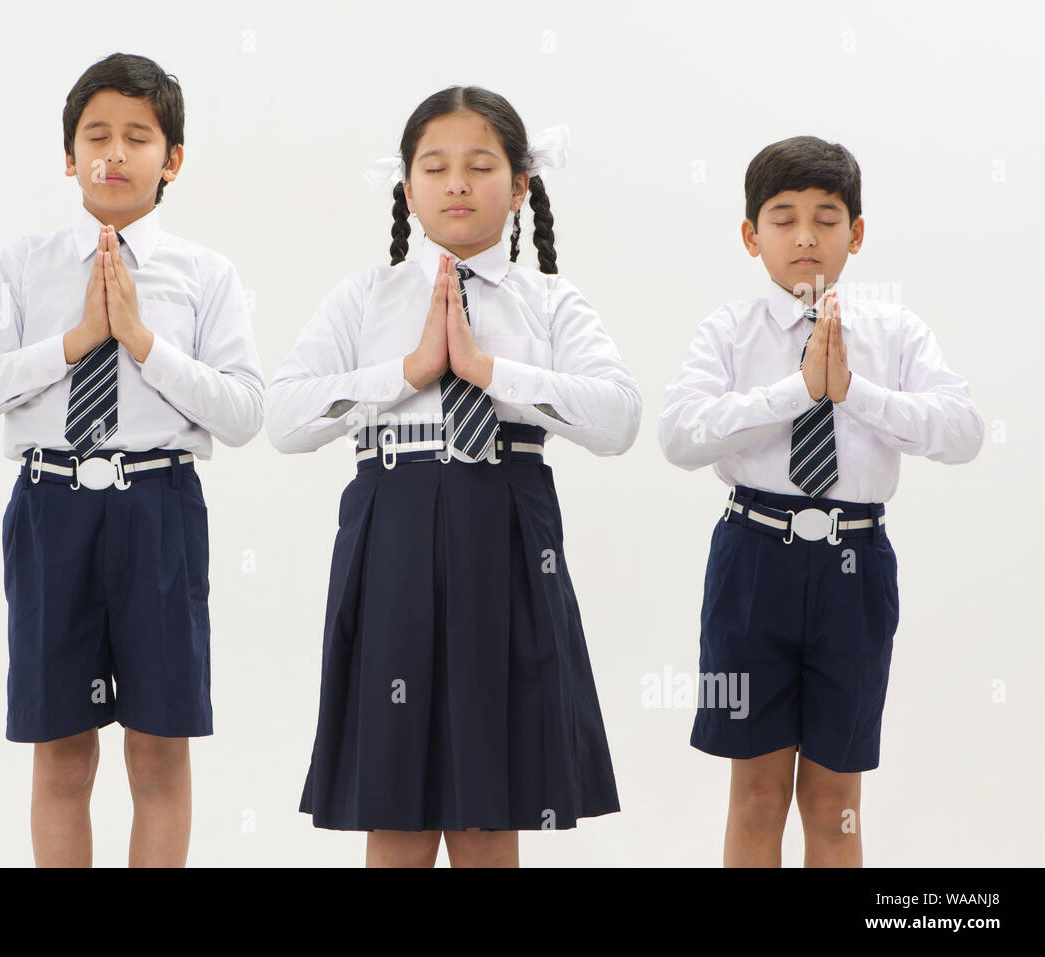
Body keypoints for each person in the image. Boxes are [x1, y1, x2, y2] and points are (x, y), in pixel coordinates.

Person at [265, 86, 641, 867]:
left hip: (506, 529)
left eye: (481, 165)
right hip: (391, 528)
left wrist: (488, 370)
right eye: (435, 167)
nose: (458, 183)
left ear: (522, 184)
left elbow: (618, 419)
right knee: (395, 802)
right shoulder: (367, 296)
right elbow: (286, 417)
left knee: (489, 799)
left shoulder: (550, 300)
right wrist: (406, 372)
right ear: (408, 187)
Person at [0, 53, 264, 866]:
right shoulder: (25, 265)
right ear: (68, 156)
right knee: (61, 745)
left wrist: (143, 342)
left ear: (173, 159)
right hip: (53, 509)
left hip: (158, 510)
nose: (114, 154)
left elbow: (244, 411)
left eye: (137, 137)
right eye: (96, 136)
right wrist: (76, 341)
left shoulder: (206, 275)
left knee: (158, 746)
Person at [659, 135, 983, 866]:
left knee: (835, 801)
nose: (806, 235)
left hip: (854, 566)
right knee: (757, 796)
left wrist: (853, 392)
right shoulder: (727, 333)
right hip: (751, 562)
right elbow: (679, 435)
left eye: (827, 217)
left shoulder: (895, 332)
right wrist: (796, 391)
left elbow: (964, 431)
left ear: (857, 233)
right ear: (751, 234)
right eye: (783, 216)